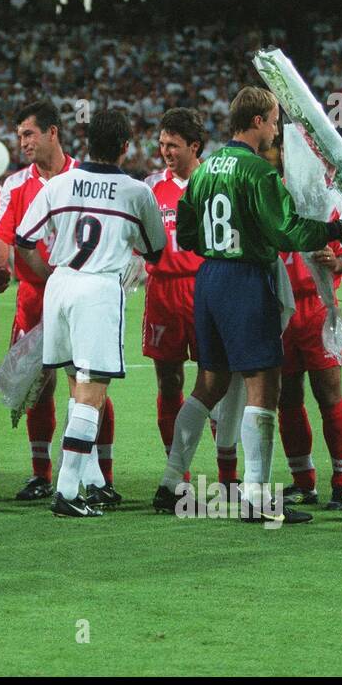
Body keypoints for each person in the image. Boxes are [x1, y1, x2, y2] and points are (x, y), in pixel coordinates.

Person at [157, 87, 342, 525]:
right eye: (273, 121)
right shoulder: (258, 172)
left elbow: (190, 237)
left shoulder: (205, 169)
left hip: (209, 281)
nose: (276, 129)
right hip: (244, 280)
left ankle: (171, 480)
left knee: (208, 385)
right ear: (256, 121)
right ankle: (256, 496)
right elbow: (286, 231)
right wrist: (337, 230)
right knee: (263, 385)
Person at [14, 109, 167, 516]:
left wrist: (50, 274)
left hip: (59, 284)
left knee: (74, 385)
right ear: (124, 147)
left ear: (86, 143)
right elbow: (156, 249)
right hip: (98, 288)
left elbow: (23, 238)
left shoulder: (58, 185)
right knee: (92, 390)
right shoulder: (136, 192)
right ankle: (66, 491)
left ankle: (93, 480)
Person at [142, 108, 244, 493]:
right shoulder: (152, 187)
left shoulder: (216, 181)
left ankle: (227, 476)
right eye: (162, 145)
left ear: (194, 146)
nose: (166, 152)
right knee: (169, 383)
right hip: (164, 294)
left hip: (207, 289)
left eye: (173, 145)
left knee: (215, 383)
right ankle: (179, 476)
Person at [0, 102, 88, 500]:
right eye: (19, 137)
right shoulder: (15, 185)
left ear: (52, 132)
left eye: (29, 134)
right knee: (37, 389)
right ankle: (41, 473)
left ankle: (98, 476)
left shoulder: (84, 177)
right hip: (33, 299)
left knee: (85, 384)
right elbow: (2, 240)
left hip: (77, 295)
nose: (23, 143)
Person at [256, 135, 342, 511]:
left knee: (329, 396)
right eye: (288, 150)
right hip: (280, 310)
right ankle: (304, 482)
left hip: (317, 310)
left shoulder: (331, 201)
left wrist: (339, 262)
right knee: (288, 398)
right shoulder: (270, 194)